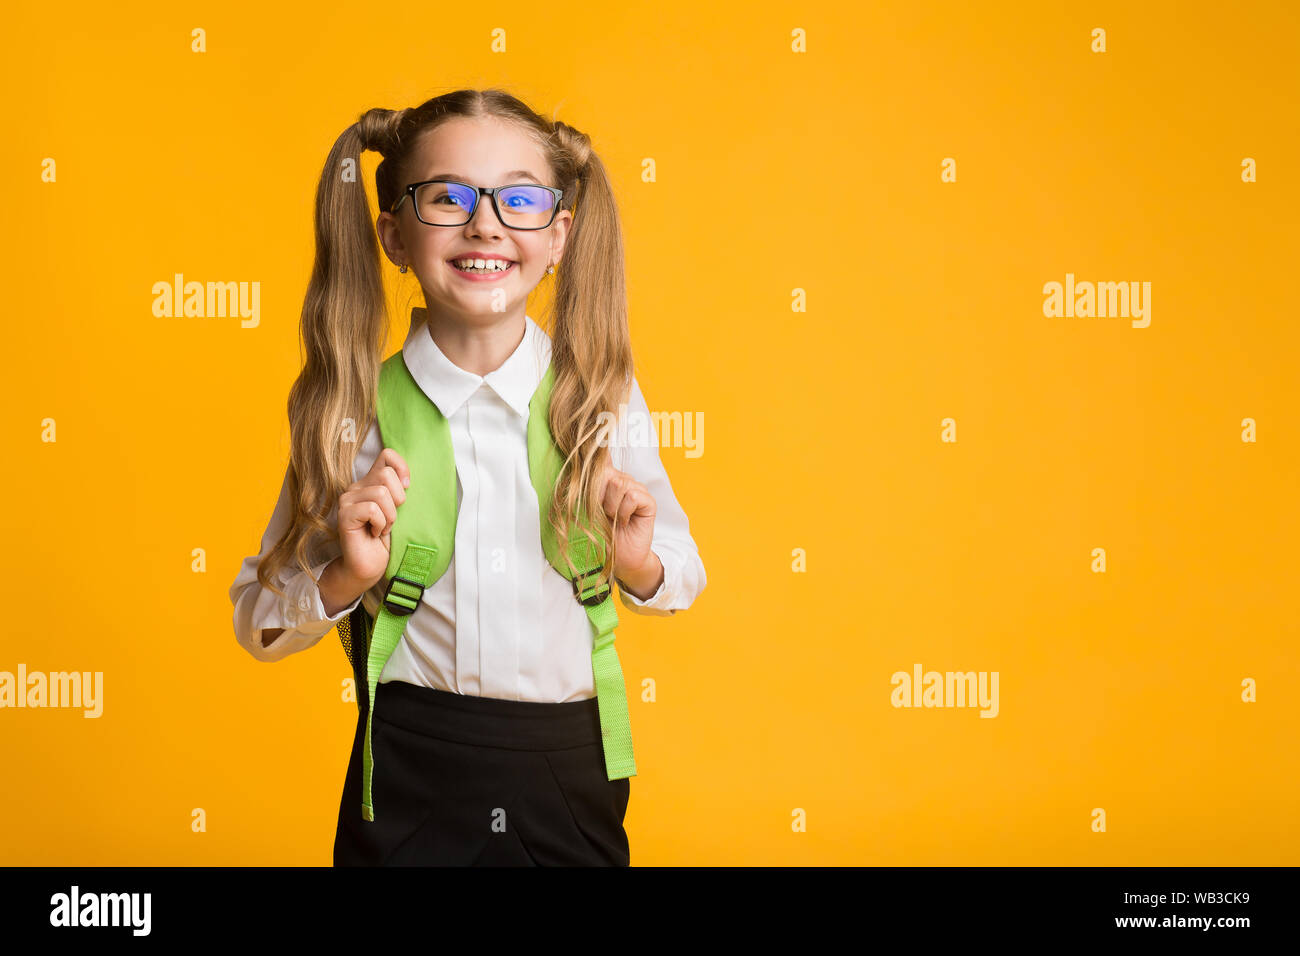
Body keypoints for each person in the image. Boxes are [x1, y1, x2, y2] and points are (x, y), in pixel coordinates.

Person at [228, 89, 705, 866]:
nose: (485, 223)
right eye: (447, 197)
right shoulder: (353, 407)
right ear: (392, 234)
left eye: (518, 198)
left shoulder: (601, 401)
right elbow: (259, 622)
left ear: (558, 236)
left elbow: (683, 575)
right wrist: (343, 576)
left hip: (569, 776)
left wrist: (636, 562)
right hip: (410, 775)